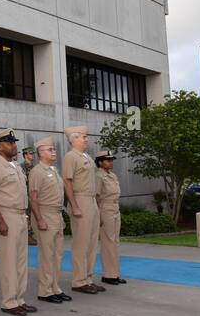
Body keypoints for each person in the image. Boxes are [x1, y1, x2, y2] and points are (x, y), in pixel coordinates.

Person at [0, 129, 36, 316]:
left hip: (20, 216)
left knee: (21, 261)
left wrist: (26, 217)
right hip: (5, 216)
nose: (14, 145)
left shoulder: (16, 166)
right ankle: (9, 302)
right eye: (10, 143)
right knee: (8, 261)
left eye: (14, 142)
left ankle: (19, 299)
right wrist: (0, 221)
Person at [62, 125, 104, 294]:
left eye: (86, 137)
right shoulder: (70, 157)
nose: (86, 139)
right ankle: (79, 281)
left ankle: (88, 278)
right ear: (74, 139)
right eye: (83, 137)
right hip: (80, 199)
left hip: (91, 200)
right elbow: (67, 182)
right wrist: (74, 205)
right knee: (81, 243)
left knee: (92, 243)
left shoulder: (85, 156)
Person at [28, 136, 70, 304]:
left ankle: (55, 287)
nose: (54, 152)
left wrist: (61, 218)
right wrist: (39, 220)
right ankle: (45, 291)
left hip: (56, 215)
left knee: (57, 254)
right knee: (47, 255)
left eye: (53, 149)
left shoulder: (53, 170)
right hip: (44, 214)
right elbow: (32, 198)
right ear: (40, 153)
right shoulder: (37, 171)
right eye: (50, 150)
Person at [96, 151, 127, 286]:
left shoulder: (112, 175)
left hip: (115, 208)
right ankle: (108, 275)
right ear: (100, 162)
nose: (110, 162)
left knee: (115, 242)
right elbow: (96, 197)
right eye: (107, 160)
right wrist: (98, 215)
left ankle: (115, 274)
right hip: (105, 208)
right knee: (108, 242)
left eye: (111, 160)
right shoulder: (98, 176)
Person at [22, 146, 38, 246]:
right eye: (30, 153)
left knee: (32, 215)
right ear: (25, 155)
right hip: (26, 195)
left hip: (34, 194)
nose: (32, 155)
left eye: (33, 153)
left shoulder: (34, 167)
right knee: (26, 215)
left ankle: (31, 234)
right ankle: (27, 236)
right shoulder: (22, 167)